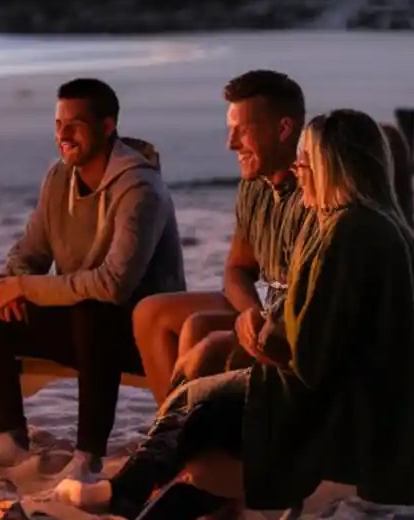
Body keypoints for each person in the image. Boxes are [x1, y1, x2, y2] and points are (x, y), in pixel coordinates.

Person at [56, 109, 414, 517]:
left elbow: (311, 358)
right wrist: (256, 329)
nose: (298, 172)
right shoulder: (380, 226)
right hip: (362, 406)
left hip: (336, 415)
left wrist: (257, 336)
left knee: (197, 407)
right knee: (196, 405)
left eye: (305, 162)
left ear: (331, 167)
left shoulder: (348, 233)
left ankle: (126, 489)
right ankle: (131, 490)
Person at [0, 78, 185, 479]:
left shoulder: (140, 188)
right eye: (58, 123)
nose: (63, 134)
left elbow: (115, 285)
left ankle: (87, 457)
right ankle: (11, 435)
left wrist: (26, 287)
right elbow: (29, 253)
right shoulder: (58, 178)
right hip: (82, 332)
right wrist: (14, 284)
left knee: (92, 309)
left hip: (137, 337)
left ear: (107, 126)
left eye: (75, 124)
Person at [132, 70, 310, 403]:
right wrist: (248, 311)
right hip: (266, 304)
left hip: (299, 316)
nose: (231, 144)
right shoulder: (253, 185)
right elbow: (237, 268)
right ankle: (171, 427)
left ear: (283, 129)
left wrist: (264, 321)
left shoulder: (314, 189)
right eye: (231, 131)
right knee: (151, 313)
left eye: (242, 131)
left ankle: (188, 434)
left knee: (199, 329)